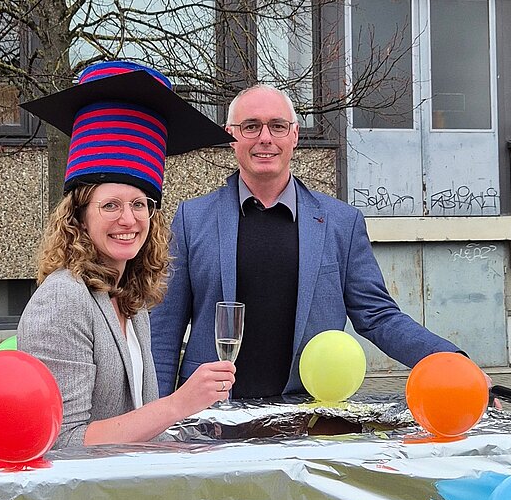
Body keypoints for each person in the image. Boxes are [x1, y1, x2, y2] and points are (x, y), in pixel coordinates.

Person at [150, 84, 463, 400]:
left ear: (295, 135)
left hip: (307, 414)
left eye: (277, 126)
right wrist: (154, 419)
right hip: (211, 416)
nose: (265, 138)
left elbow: (378, 317)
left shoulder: (341, 223)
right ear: (231, 135)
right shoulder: (193, 218)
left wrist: (451, 362)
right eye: (251, 126)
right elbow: (165, 328)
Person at [18, 60, 237, 447]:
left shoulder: (129, 300)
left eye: (139, 204)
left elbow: (137, 417)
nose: (128, 219)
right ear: (80, 216)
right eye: (110, 205)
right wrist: (178, 405)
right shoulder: (62, 299)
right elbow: (62, 441)